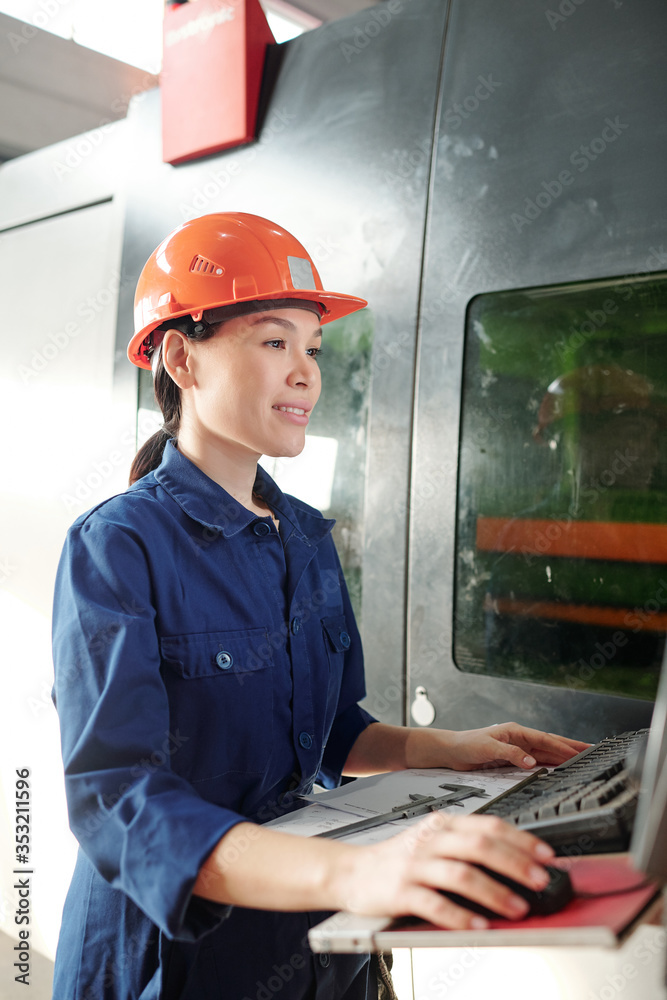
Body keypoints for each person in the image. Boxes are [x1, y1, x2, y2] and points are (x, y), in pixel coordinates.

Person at [51, 212, 589, 1000]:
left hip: (312, 940)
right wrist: (361, 867)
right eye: (274, 343)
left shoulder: (301, 535)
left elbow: (332, 731)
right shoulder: (116, 546)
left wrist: (449, 746)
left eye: (312, 348)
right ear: (180, 356)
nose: (306, 372)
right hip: (172, 957)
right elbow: (116, 802)